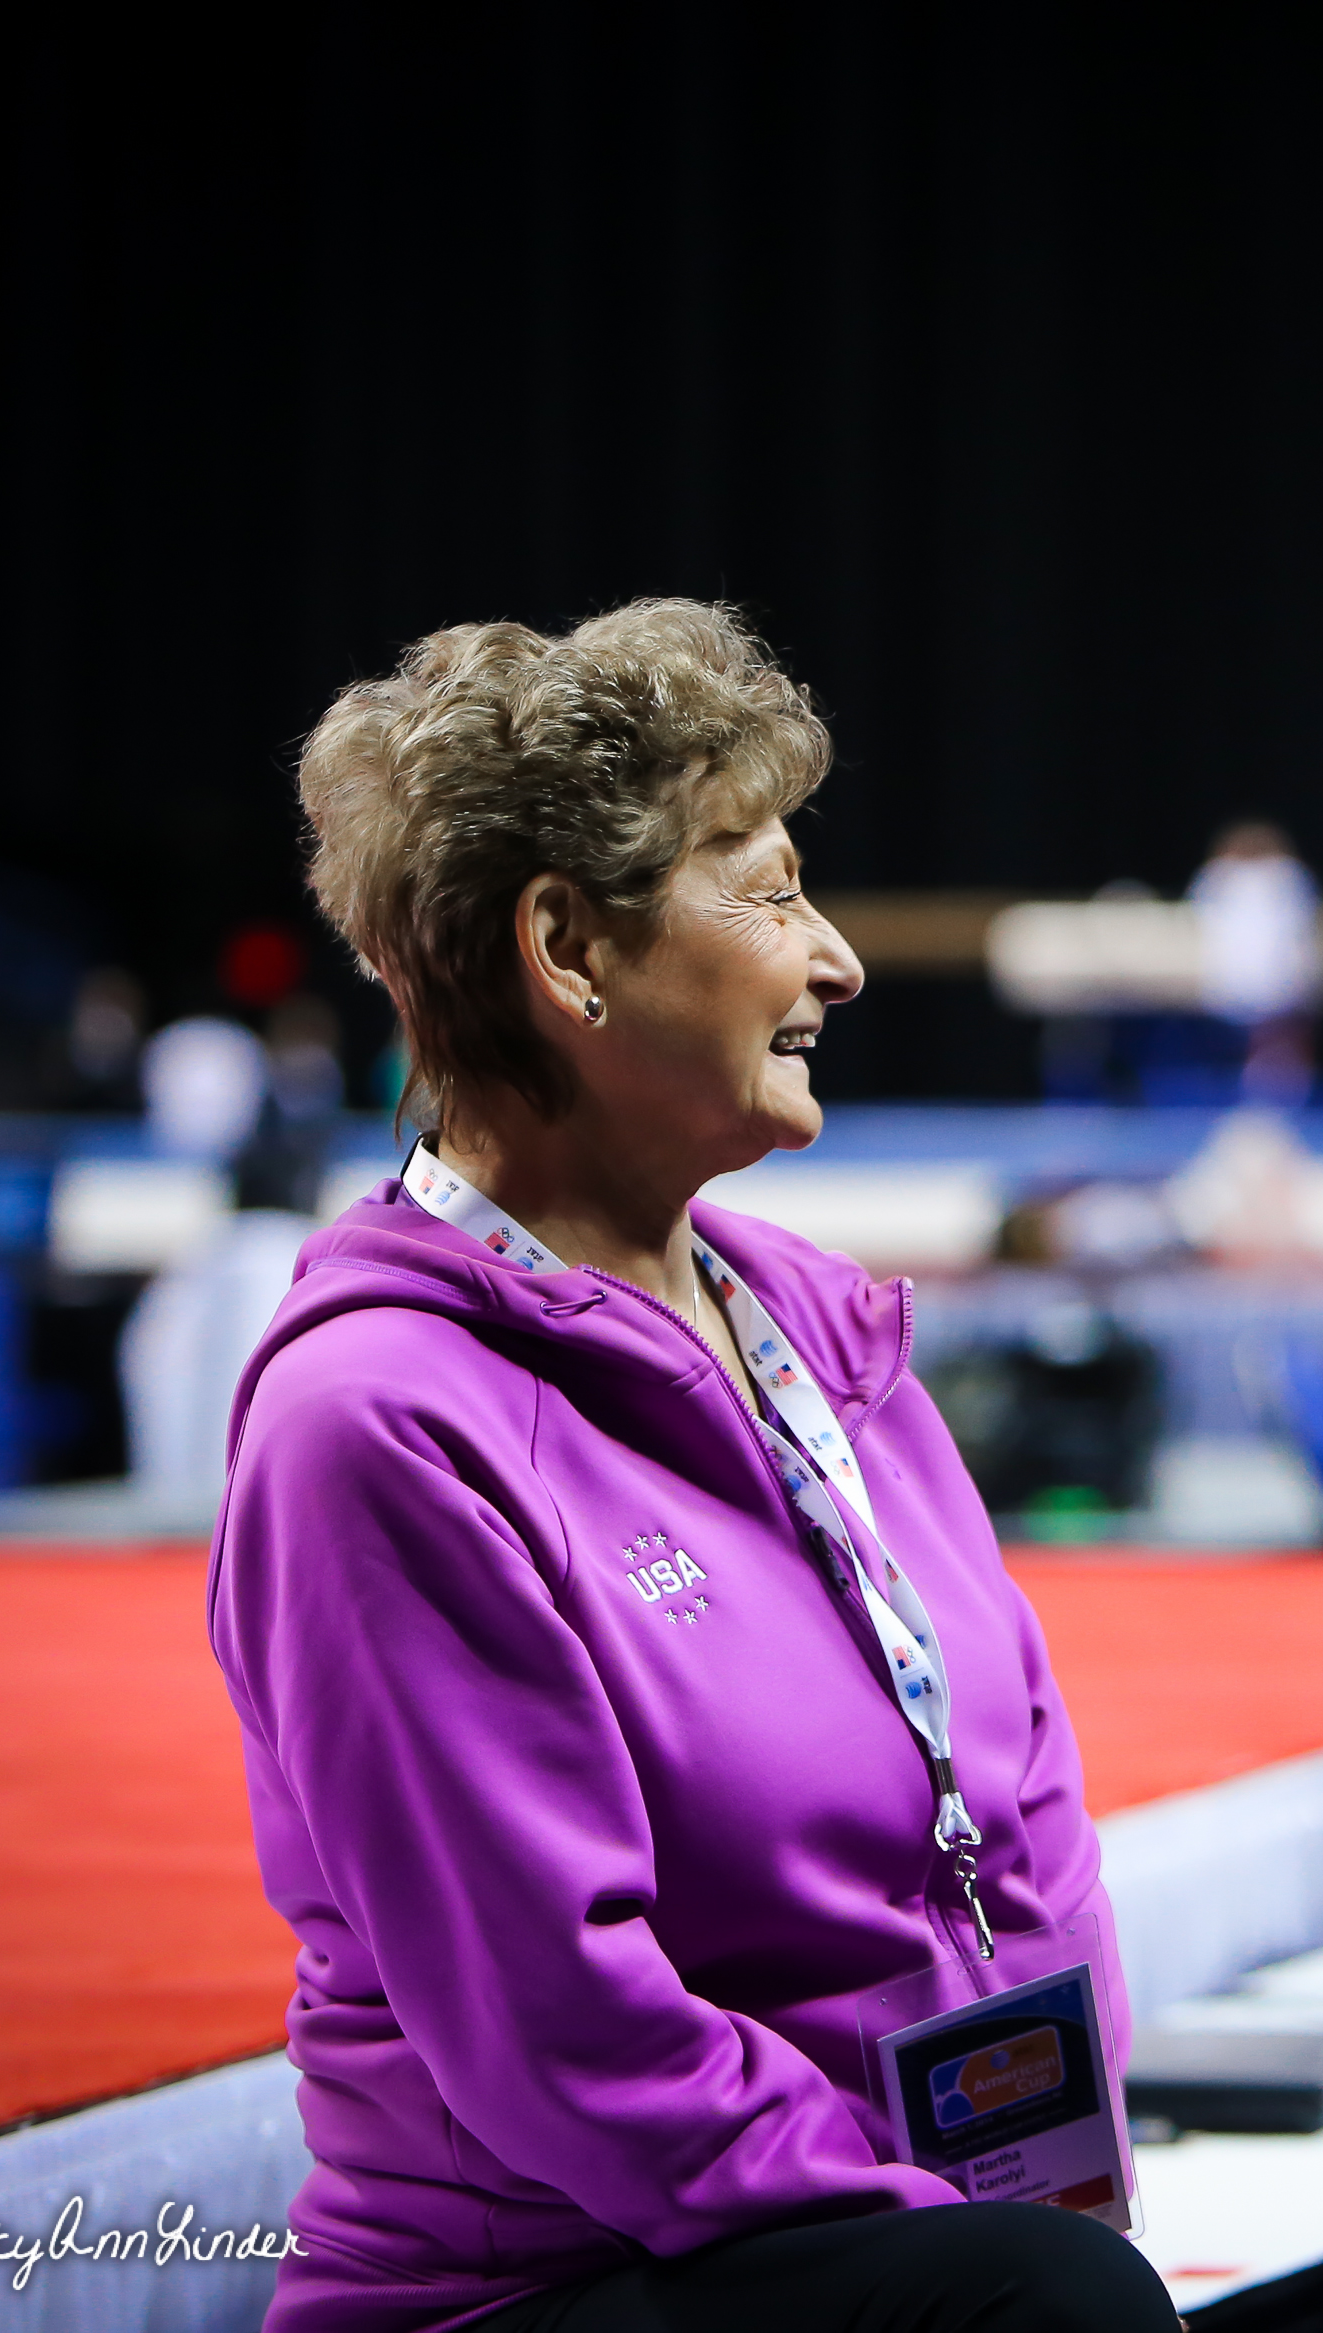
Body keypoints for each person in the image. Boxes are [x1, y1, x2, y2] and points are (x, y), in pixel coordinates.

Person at [210, 603, 1178, 2333]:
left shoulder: (816, 1323)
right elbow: (570, 2040)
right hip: (552, 2279)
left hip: (891, 2224)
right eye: (771, 891)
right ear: (568, 949)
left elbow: (1027, 1803)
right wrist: (978, 2234)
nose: (839, 962)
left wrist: (1061, 2178)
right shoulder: (375, 1423)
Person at [1186, 819, 1320, 1105]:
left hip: (1238, 982)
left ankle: (1269, 1069)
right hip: (1261, 982)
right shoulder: (1288, 876)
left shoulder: (1219, 876)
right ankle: (1276, 1068)